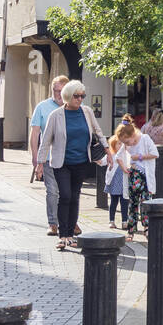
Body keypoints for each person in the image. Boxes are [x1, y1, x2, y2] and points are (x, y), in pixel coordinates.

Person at [36, 79, 108, 251]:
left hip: (81, 162)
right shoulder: (56, 115)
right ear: (68, 96)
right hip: (62, 163)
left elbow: (98, 131)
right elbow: (45, 141)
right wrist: (40, 163)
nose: (80, 99)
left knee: (75, 197)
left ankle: (70, 235)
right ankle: (63, 236)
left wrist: (108, 150)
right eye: (76, 96)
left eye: (82, 96)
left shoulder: (87, 112)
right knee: (65, 196)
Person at [30, 75, 70, 237]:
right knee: (53, 191)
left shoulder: (75, 107)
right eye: (55, 91)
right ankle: (53, 223)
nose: (57, 94)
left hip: (69, 158)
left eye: (61, 91)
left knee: (68, 192)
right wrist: (35, 158)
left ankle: (69, 222)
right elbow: (34, 134)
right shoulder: (42, 107)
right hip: (49, 158)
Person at [104, 123, 133, 228]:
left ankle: (124, 221)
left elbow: (131, 161)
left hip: (124, 181)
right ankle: (111, 221)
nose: (121, 146)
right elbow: (103, 161)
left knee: (124, 202)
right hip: (113, 182)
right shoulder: (111, 155)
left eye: (122, 144)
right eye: (118, 144)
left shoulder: (126, 154)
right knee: (113, 201)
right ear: (113, 145)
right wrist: (98, 160)